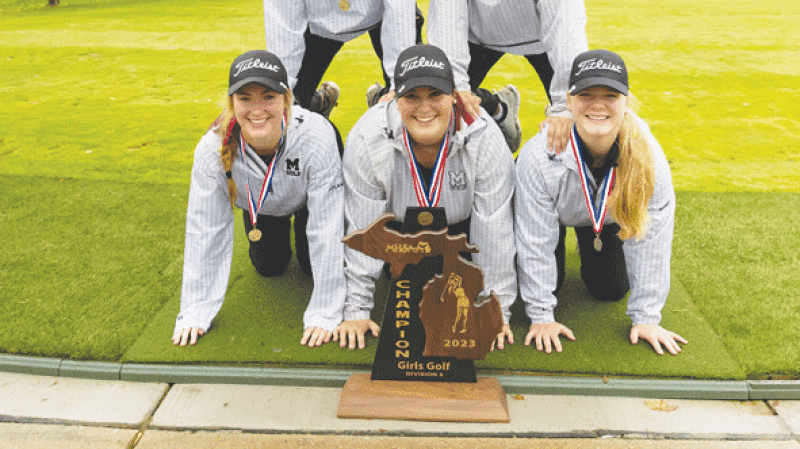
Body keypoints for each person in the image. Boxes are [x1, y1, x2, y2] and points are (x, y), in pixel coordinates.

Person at [335, 44, 517, 350]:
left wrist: (495, 308)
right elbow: (363, 226)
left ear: (454, 96)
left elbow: (494, 230)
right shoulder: (366, 139)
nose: (424, 107)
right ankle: (378, 100)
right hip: (397, 226)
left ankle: (501, 108)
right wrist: (357, 310)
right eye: (412, 97)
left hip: (460, 225)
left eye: (435, 94)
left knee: (608, 285)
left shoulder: (484, 136)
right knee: (269, 263)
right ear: (397, 99)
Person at [515, 49, 688, 356]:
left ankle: (588, 239)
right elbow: (533, 240)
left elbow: (652, 235)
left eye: (610, 95)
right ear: (569, 102)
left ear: (626, 102)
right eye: (586, 94)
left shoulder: (649, 156)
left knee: (610, 289)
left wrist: (647, 317)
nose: (597, 104)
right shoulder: (537, 156)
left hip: (606, 219)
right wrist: (541, 315)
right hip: (553, 216)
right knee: (548, 286)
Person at [172, 50, 346, 348]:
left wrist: (325, 312)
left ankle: (317, 105)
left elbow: (327, 227)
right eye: (245, 98)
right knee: (270, 267)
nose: (257, 109)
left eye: (268, 96)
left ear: (286, 98)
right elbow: (206, 227)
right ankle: (318, 102)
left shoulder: (318, 137)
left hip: (306, 197)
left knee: (309, 265)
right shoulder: (211, 148)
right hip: (260, 204)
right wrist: (195, 312)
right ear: (231, 103)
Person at [426, 0, 589, 153]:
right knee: (441, 109)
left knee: (578, 125)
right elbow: (447, 14)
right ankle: (498, 109)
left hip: (544, 35)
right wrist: (455, 84)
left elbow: (565, 25)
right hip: (478, 34)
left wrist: (564, 107)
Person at [263, 0, 423, 116]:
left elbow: (399, 11)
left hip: (384, 13)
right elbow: (283, 25)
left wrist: (398, 87)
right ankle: (319, 104)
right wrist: (282, 89)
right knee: (289, 107)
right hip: (316, 21)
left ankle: (380, 99)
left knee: (410, 96)